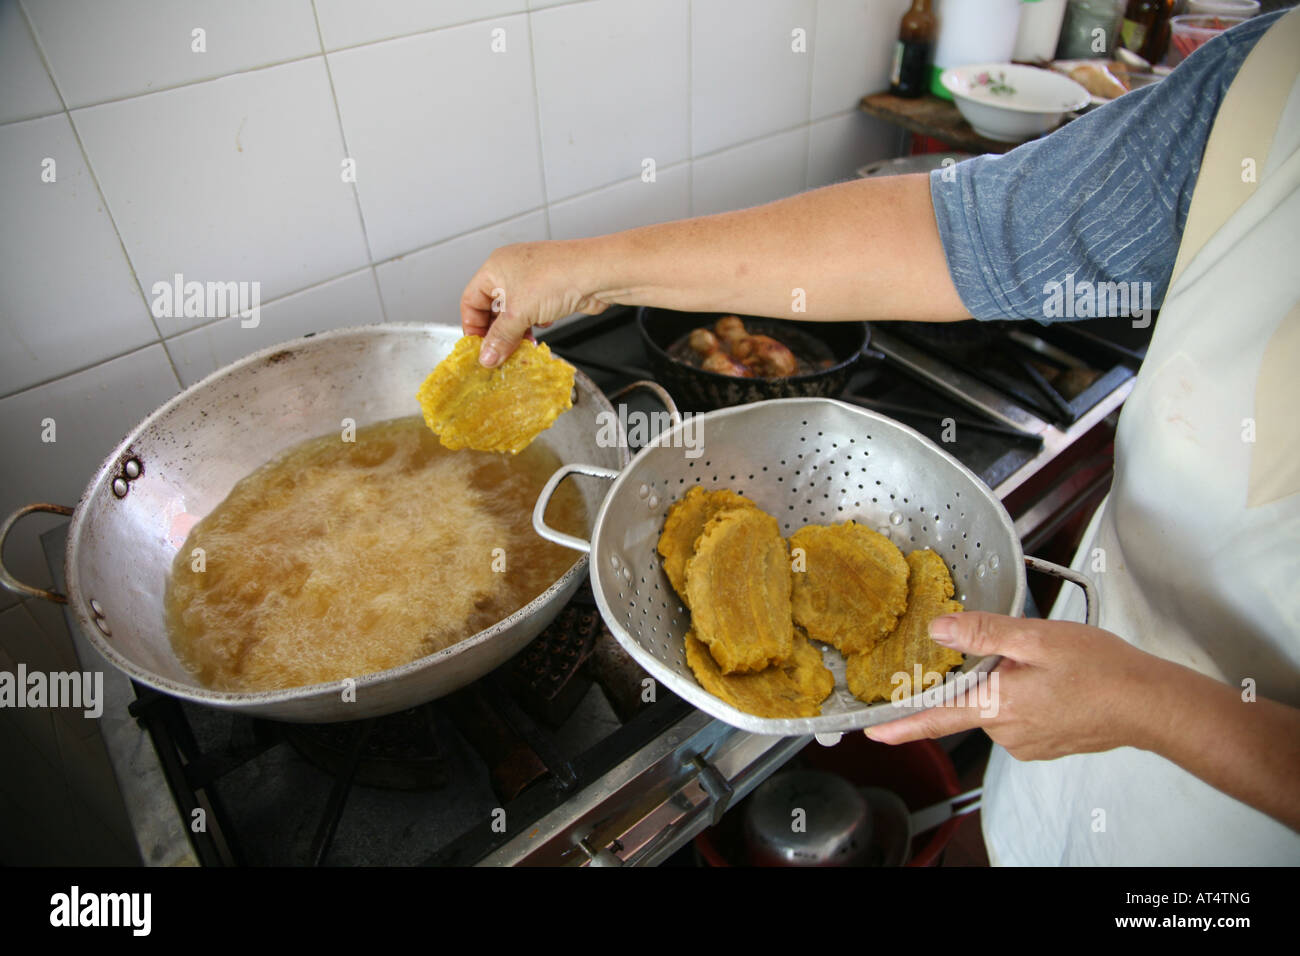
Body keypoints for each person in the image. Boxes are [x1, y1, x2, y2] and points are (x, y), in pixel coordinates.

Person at [458, 10, 1300, 864]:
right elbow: (966, 233)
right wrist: (589, 269)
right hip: (1056, 755)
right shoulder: (1269, 72)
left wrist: (1153, 707)